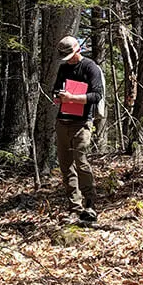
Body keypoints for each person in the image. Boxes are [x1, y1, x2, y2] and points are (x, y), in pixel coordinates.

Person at [51, 35, 103, 222]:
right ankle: (75, 207)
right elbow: (56, 90)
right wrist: (58, 96)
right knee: (66, 166)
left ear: (78, 50)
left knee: (81, 161)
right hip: (62, 121)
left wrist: (73, 99)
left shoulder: (90, 67)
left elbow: (97, 95)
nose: (69, 60)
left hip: (82, 123)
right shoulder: (64, 68)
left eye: (71, 55)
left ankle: (90, 205)